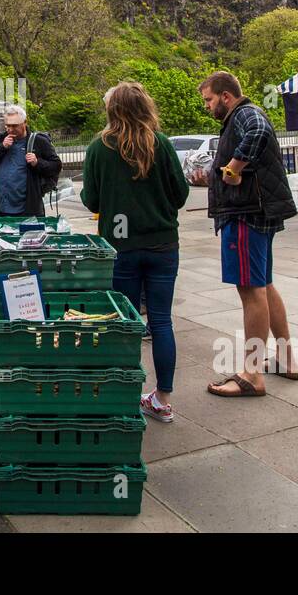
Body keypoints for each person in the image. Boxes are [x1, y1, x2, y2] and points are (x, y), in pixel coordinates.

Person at [81, 82, 189, 423]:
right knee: (161, 321)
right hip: (162, 244)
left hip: (120, 246)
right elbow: (181, 194)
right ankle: (163, 399)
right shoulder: (162, 145)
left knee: (124, 324)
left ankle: (125, 394)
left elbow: (91, 200)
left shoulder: (100, 147)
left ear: (113, 110)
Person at [191, 71, 298, 398]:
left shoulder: (244, 114)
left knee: (250, 290)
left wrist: (231, 169)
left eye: (209, 100)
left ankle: (252, 374)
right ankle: (286, 358)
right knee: (263, 285)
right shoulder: (242, 115)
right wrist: (218, 173)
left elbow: (259, 130)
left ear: (225, 96)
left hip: (244, 214)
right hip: (258, 211)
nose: (207, 107)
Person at [0, 104, 62, 219]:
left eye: (14, 126)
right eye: (7, 126)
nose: (10, 129)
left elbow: (56, 166)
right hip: (1, 207)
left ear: (25, 122)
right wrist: (2, 147)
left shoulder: (38, 141)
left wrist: (37, 162)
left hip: (28, 208)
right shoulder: (0, 139)